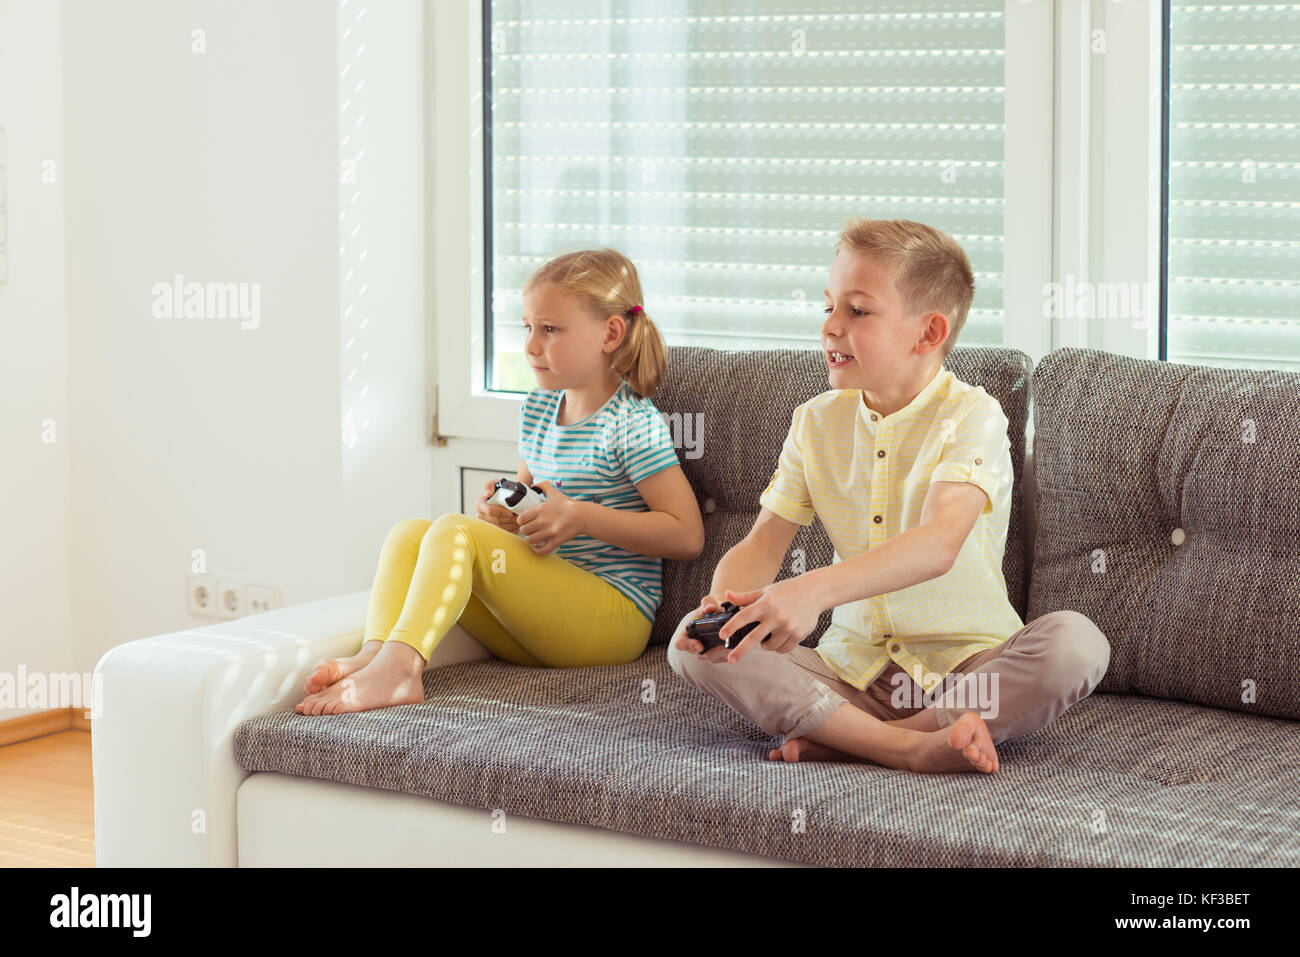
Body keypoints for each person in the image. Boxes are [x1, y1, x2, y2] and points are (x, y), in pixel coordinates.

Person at [666, 217, 1110, 774]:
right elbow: (764, 541)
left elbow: (938, 545)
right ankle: (908, 748)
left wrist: (808, 594)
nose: (831, 327)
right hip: (849, 676)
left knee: (1077, 644)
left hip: (967, 676)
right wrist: (727, 606)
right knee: (693, 644)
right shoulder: (815, 421)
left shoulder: (973, 415)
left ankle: (857, 740)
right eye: (828, 306)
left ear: (928, 333)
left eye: (857, 310)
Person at [299, 248, 704, 715]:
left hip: (611, 620)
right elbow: (524, 506)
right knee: (410, 533)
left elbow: (687, 534)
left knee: (452, 531)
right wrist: (501, 517)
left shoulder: (631, 422)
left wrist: (579, 517)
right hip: (543, 621)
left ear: (610, 333)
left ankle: (400, 671)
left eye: (550, 329)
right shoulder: (537, 410)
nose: (531, 346)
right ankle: (377, 655)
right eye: (528, 327)